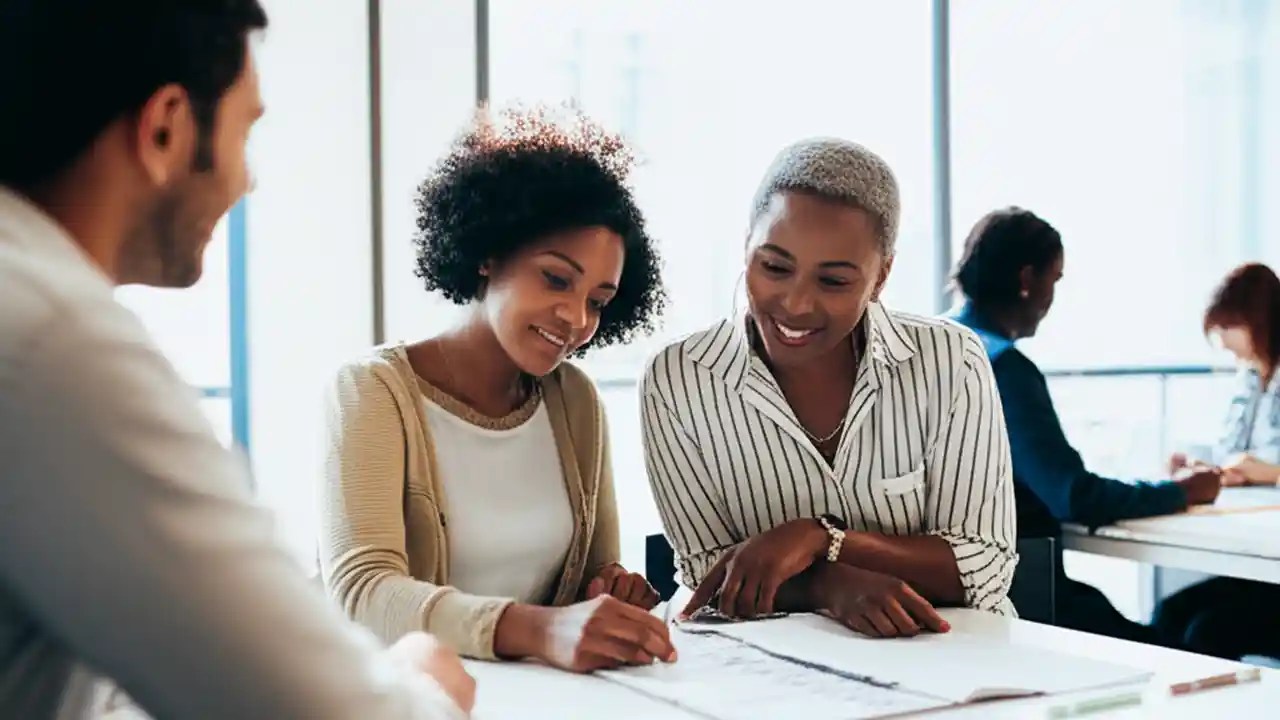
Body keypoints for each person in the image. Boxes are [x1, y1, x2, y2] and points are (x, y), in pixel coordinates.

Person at [0, 2, 473, 718]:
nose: (247, 181)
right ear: (165, 127)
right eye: (245, 131)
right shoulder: (58, 343)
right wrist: (422, 677)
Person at [319, 106, 676, 673]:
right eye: (556, 279)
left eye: (598, 302)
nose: (576, 318)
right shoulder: (373, 391)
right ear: (488, 254)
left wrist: (610, 591)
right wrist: (540, 629)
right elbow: (364, 592)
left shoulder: (576, 400)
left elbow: (594, 575)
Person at [641, 138, 1018, 638]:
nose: (796, 305)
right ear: (746, 247)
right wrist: (828, 585)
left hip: (951, 660)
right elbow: (708, 572)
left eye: (834, 281)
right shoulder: (679, 379)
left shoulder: (950, 362)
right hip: (772, 677)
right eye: (774, 267)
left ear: (880, 277)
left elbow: (983, 565)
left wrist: (821, 540)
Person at [947, 206, 1222, 645]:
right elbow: (1074, 496)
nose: (1051, 299)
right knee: (1189, 636)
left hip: (948, 590)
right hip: (1019, 596)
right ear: (1025, 279)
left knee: (1175, 617)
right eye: (1053, 280)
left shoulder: (932, 346)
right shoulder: (1002, 367)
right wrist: (1182, 492)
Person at [1152, 262, 1280, 660]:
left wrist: (1271, 472)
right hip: (1256, 549)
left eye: (1228, 328)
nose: (1221, 341)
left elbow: (1265, 461)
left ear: (1257, 321)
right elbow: (1233, 451)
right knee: (1169, 615)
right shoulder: (1248, 377)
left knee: (1207, 631)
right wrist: (1204, 467)